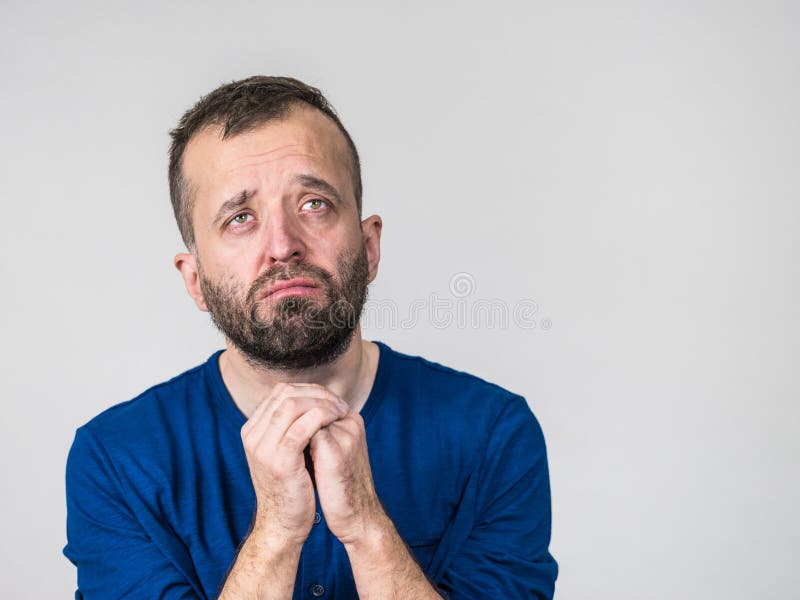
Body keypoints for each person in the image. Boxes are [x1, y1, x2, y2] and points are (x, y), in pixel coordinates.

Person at [63, 76, 558, 599]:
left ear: (369, 247)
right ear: (195, 279)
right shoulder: (116, 460)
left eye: (314, 204)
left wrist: (368, 530)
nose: (282, 245)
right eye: (240, 218)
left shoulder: (493, 435)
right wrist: (276, 533)